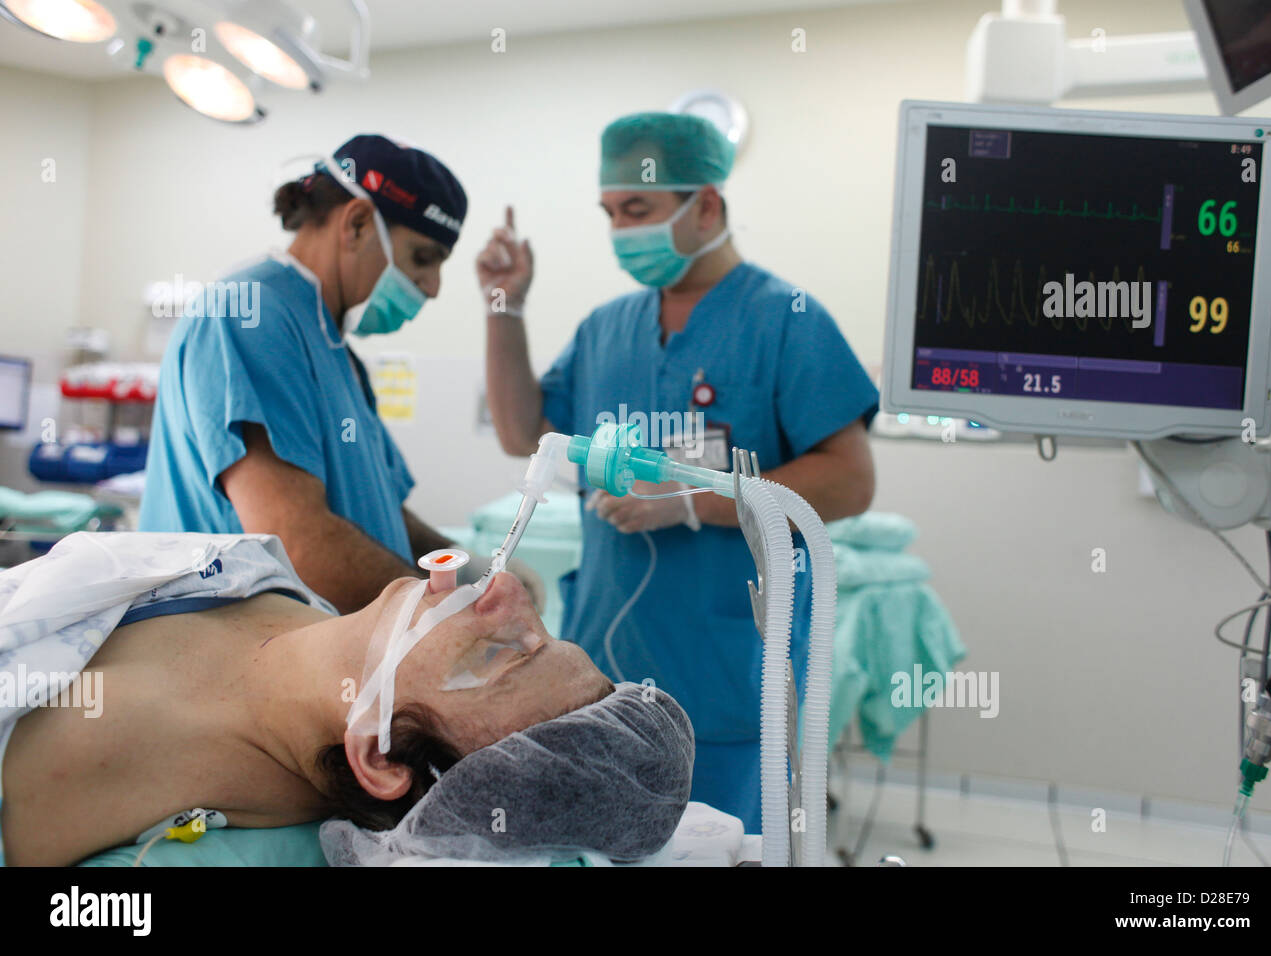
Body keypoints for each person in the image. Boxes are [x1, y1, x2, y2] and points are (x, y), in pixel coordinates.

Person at [478, 112, 880, 831]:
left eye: (638, 209)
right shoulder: (608, 328)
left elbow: (849, 481)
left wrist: (699, 500)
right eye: (609, 213)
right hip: (603, 665)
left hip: (727, 675)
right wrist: (504, 304)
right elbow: (524, 434)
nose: (620, 229)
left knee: (724, 843)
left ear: (708, 205)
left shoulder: (785, 320)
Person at [0, 531, 644, 866]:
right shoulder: (296, 606)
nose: (500, 589)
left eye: (501, 654)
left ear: (381, 757)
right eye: (541, 631)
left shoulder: (94, 756)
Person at [139, 134, 542, 614]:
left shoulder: (336, 350)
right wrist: (443, 613)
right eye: (423, 258)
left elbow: (378, 516)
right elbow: (299, 544)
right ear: (356, 223)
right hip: (222, 659)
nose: (433, 287)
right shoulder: (248, 314)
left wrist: (471, 573)